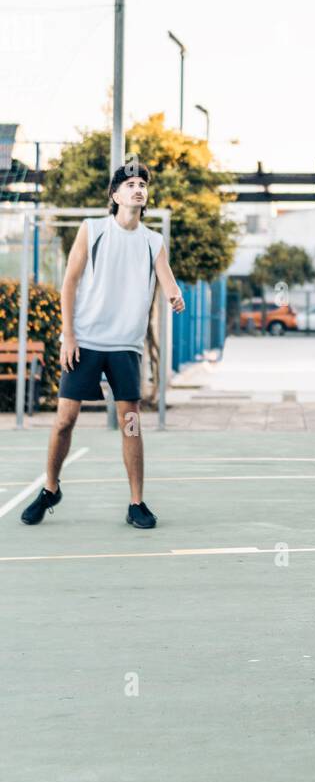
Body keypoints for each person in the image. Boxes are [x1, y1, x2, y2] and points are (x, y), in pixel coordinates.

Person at [21, 161, 185, 530]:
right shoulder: (92, 229)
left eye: (142, 183)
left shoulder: (152, 241)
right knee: (65, 421)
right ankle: (50, 488)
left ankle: (136, 503)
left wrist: (175, 296)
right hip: (86, 341)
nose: (137, 188)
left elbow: (168, 281)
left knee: (130, 423)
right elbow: (69, 283)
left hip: (126, 345)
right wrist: (70, 335)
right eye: (129, 184)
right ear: (115, 195)